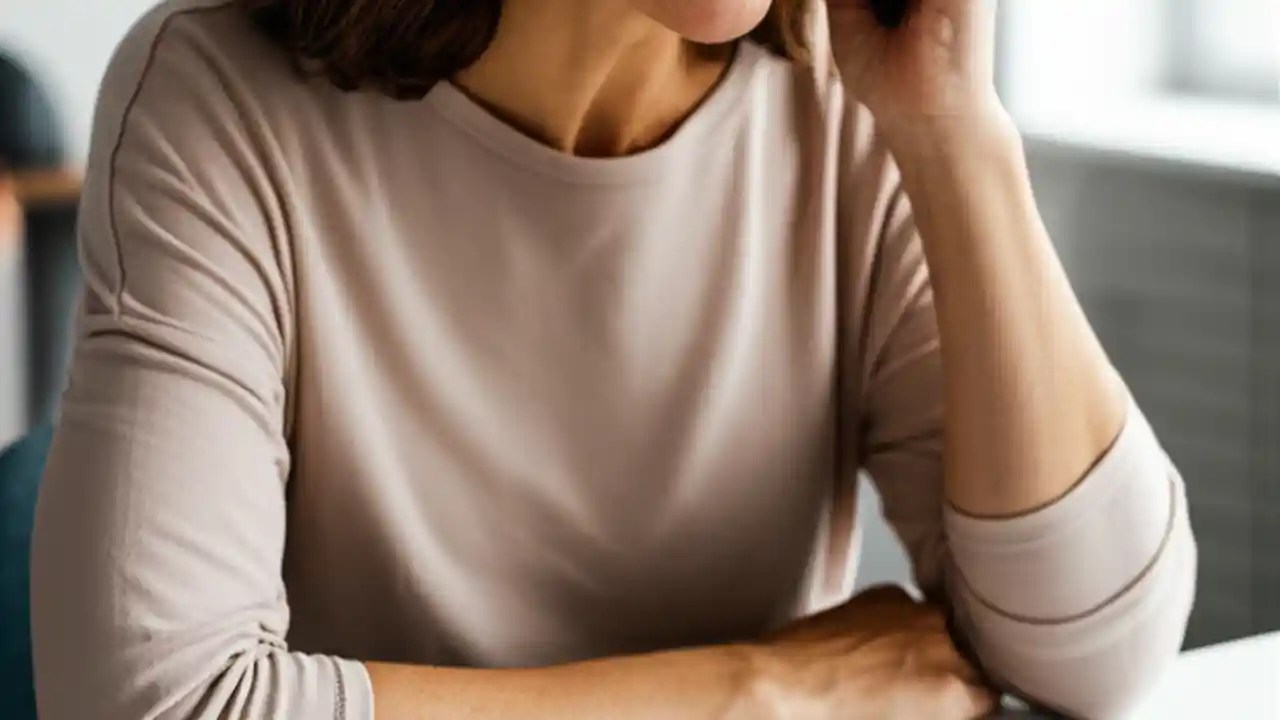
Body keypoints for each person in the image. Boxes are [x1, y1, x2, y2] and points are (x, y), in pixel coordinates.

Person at [30, 0, 1197, 718]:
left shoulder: (854, 103)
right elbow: (161, 707)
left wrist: (953, 129)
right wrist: (761, 696)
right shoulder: (217, 97)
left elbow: (1091, 655)